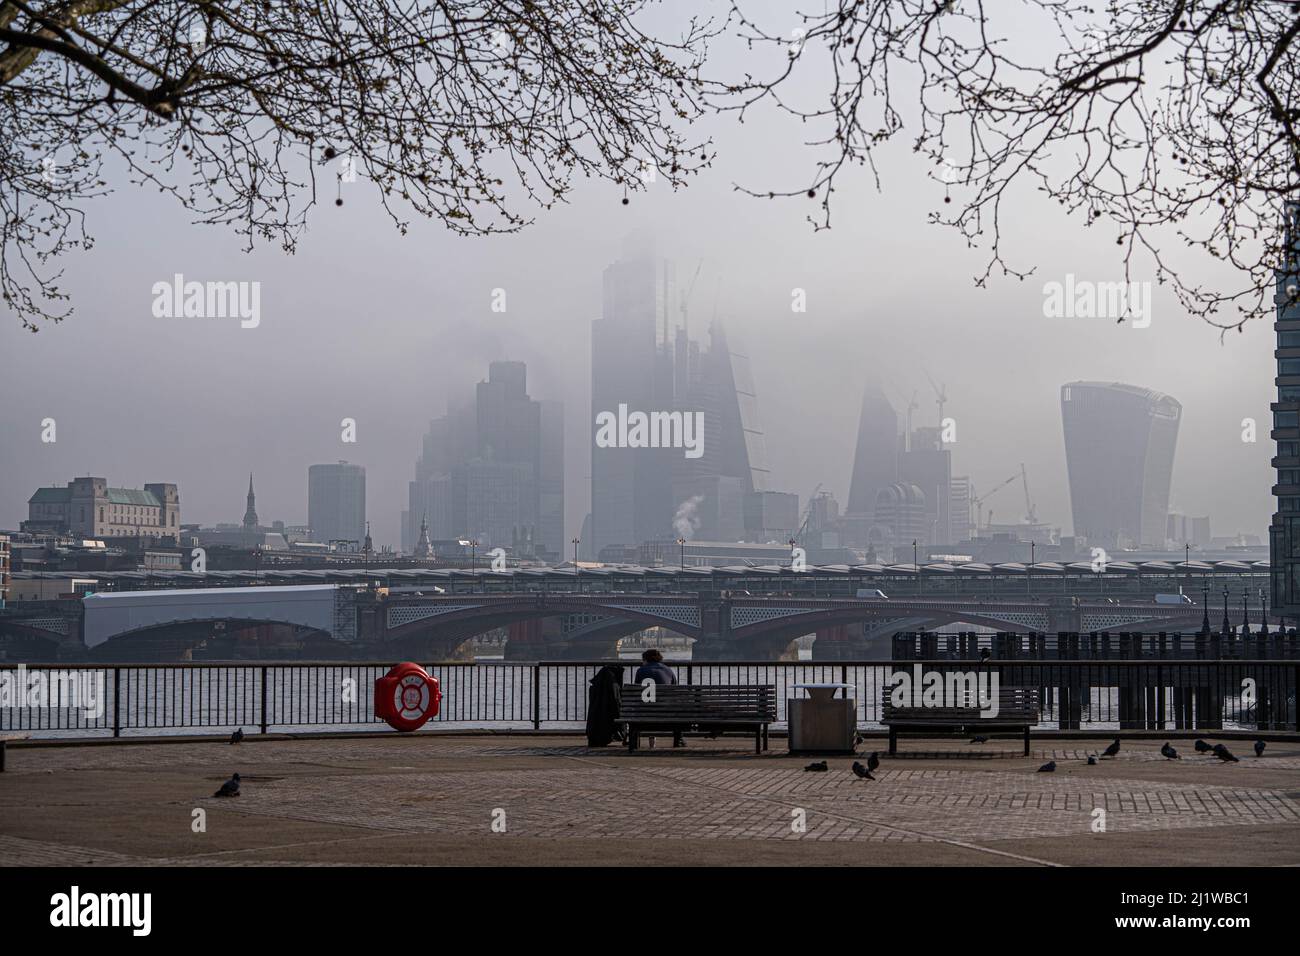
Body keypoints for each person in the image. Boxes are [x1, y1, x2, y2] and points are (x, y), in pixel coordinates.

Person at [634, 649, 684, 747]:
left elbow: (637, 691)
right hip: (666, 711)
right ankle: (679, 739)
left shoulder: (641, 670)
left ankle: (634, 741)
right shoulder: (668, 670)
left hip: (644, 712)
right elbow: (674, 692)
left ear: (645, 660)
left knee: (647, 702)